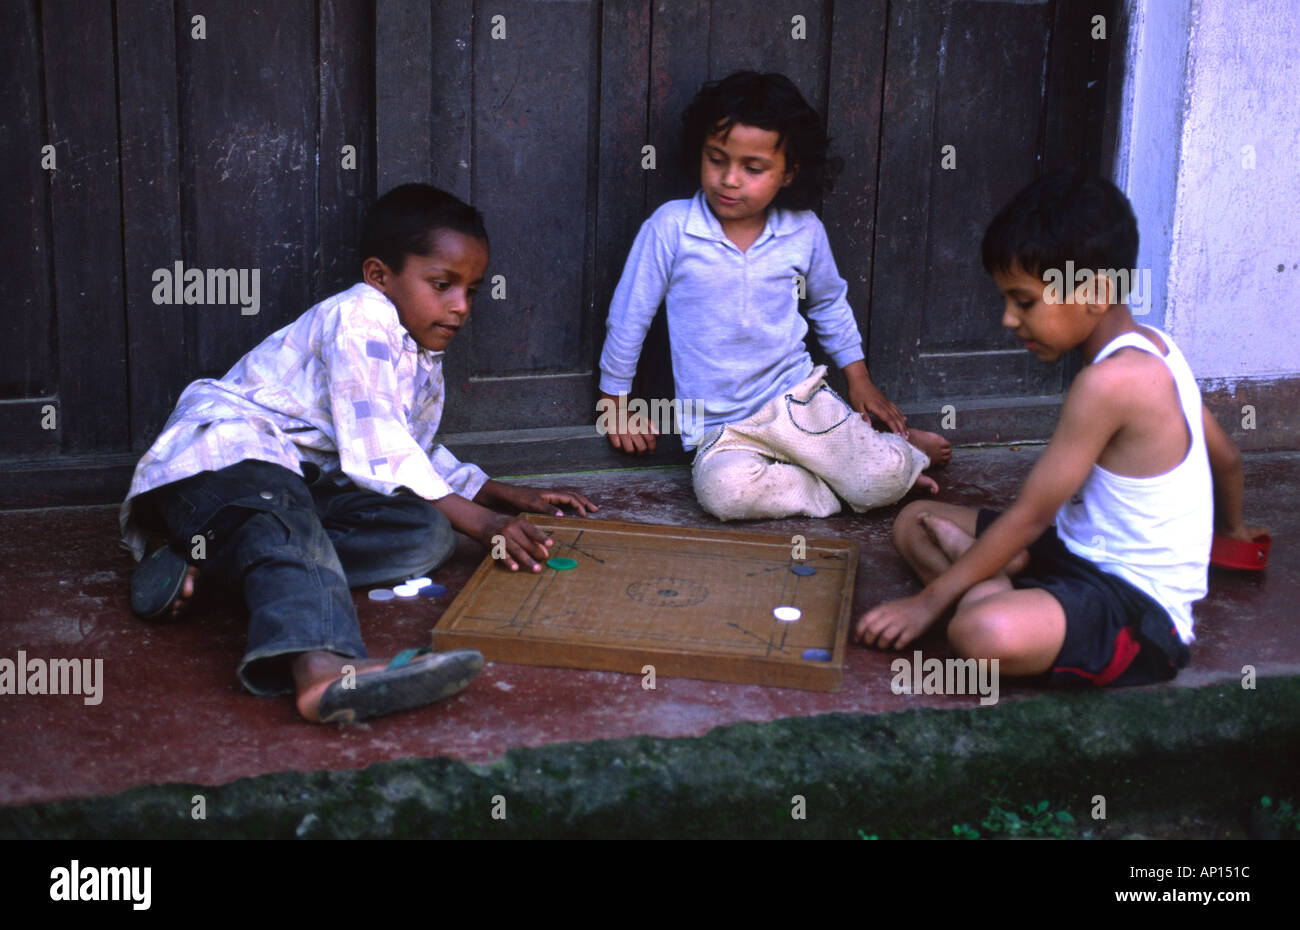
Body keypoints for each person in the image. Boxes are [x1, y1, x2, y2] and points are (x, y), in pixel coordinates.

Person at [120, 184, 597, 723]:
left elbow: (404, 450)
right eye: (442, 285)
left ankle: (202, 565)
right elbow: (381, 449)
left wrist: (495, 491)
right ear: (378, 276)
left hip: (292, 493)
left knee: (424, 533)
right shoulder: (361, 317)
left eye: (472, 290)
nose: (461, 306)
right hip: (222, 462)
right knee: (285, 519)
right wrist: (486, 524)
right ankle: (322, 668)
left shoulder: (417, 351)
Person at [855, 173, 1261, 686]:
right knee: (913, 518)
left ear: (1094, 293)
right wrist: (1233, 532)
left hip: (1132, 611)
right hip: (1072, 551)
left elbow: (1029, 514)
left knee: (982, 634)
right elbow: (1225, 457)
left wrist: (923, 605)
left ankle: (983, 589)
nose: (1008, 319)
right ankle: (994, 579)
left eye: (1024, 302)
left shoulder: (1111, 383)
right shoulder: (1158, 347)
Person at [597, 71, 950, 521]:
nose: (729, 179)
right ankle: (846, 478)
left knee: (880, 480)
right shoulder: (672, 228)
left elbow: (827, 303)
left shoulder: (802, 231)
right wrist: (616, 402)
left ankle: (888, 457)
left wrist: (858, 378)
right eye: (716, 159)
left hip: (798, 401)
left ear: (789, 172)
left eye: (753, 168)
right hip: (722, 428)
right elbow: (630, 316)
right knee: (724, 494)